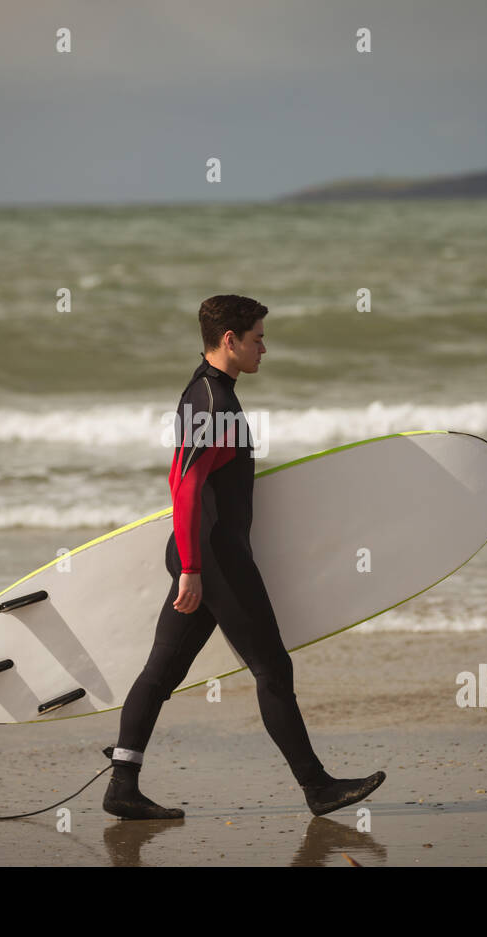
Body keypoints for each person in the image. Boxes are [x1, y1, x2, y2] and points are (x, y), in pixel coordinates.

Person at [103, 294, 386, 819]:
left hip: (203, 553)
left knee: (161, 673)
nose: (264, 347)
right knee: (271, 668)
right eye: (257, 337)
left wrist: (190, 560)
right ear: (229, 340)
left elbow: (177, 474)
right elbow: (184, 488)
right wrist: (191, 568)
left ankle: (123, 783)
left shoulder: (203, 391)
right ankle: (317, 787)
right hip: (215, 560)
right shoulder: (215, 402)